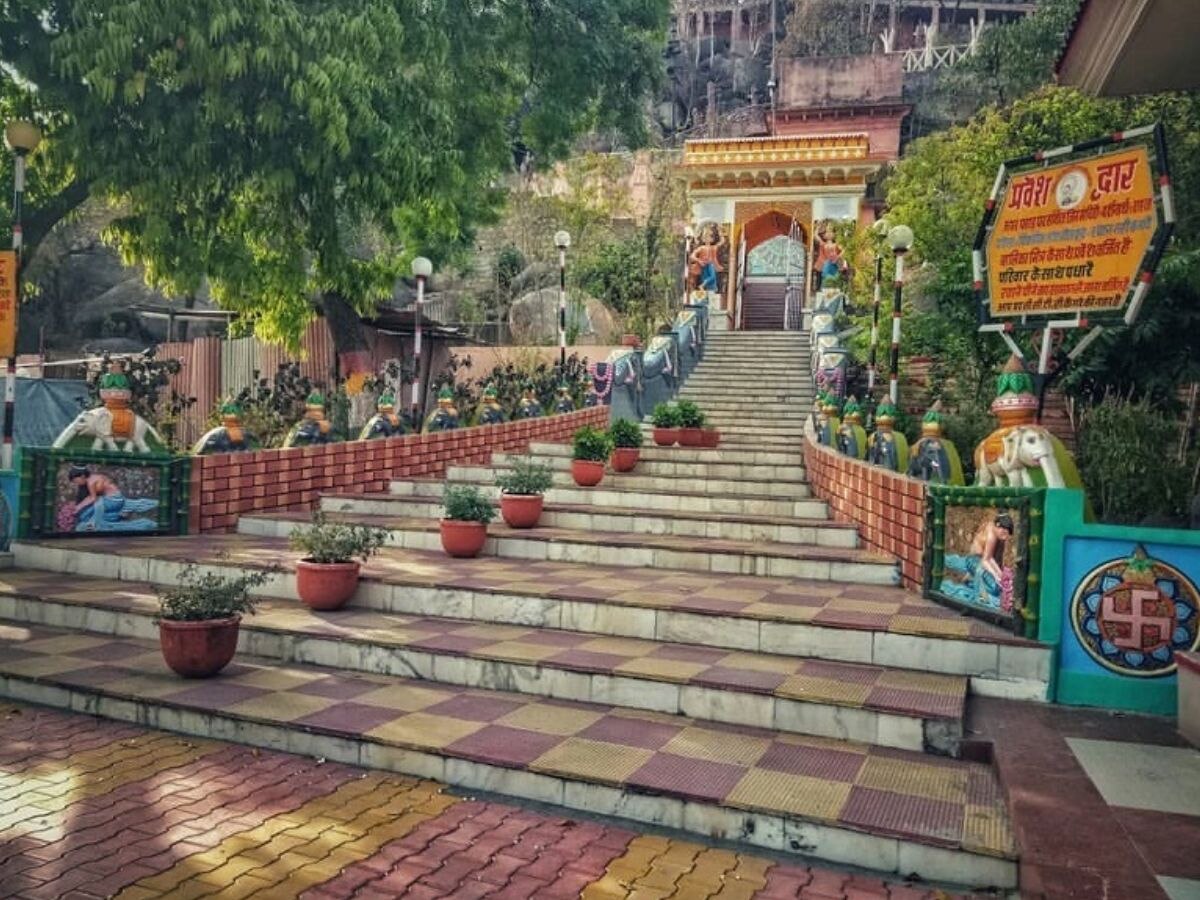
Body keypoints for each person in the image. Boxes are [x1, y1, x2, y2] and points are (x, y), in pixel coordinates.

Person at [67, 465, 158, 532]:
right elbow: (91, 497)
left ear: (82, 476)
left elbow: (92, 498)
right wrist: (79, 506)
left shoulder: (90, 482)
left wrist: (78, 507)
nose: (76, 483)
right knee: (98, 503)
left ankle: (93, 524)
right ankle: (119, 514)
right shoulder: (96, 476)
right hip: (118, 498)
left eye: (75, 481)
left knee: (97, 504)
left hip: (113, 500)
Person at [689, 224, 725, 293]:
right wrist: (699, 261)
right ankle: (703, 286)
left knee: (712, 278)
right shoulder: (701, 248)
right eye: (706, 237)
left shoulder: (713, 247)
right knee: (708, 280)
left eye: (710, 237)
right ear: (703, 238)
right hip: (704, 266)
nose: (708, 239)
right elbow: (692, 256)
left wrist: (721, 233)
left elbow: (722, 242)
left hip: (711, 265)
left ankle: (704, 286)